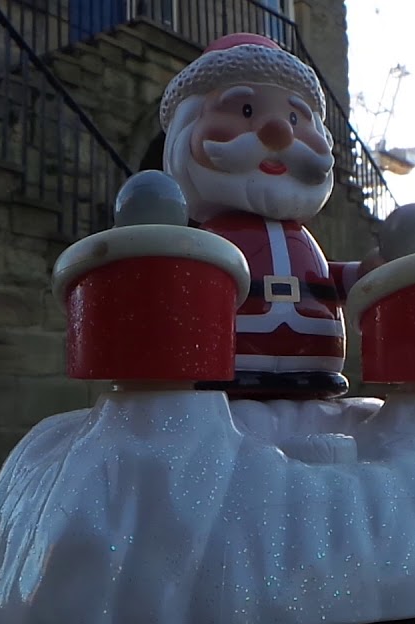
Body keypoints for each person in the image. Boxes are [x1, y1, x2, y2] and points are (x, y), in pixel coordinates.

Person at [159, 32, 378, 400]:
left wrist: (366, 275)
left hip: (315, 379)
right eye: (246, 111)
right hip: (224, 382)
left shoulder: (302, 240)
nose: (278, 132)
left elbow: (326, 279)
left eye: (294, 117)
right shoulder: (209, 242)